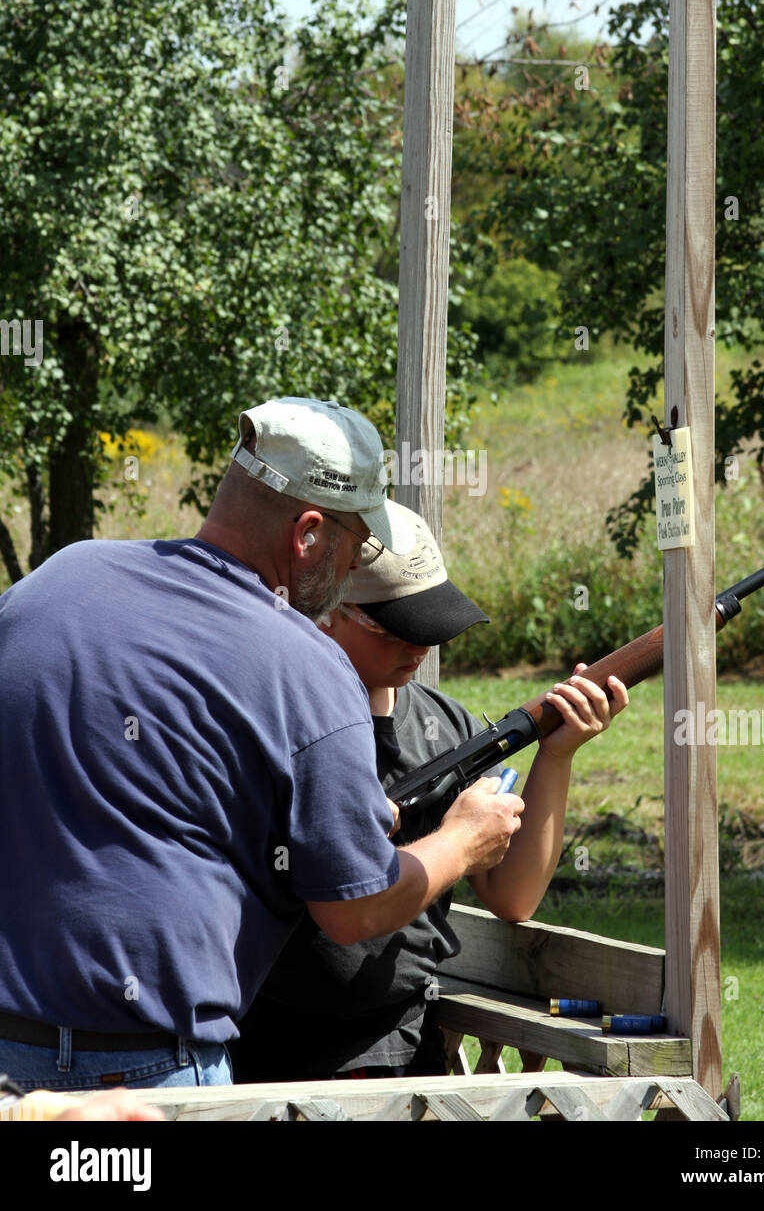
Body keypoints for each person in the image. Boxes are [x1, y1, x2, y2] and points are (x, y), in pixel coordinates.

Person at [0, 398, 523, 1093]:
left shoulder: (57, 583)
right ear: (310, 534)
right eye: (358, 545)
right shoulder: (307, 666)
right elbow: (354, 910)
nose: (352, 567)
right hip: (148, 1072)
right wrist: (464, 840)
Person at [232, 506, 628, 1081]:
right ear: (325, 615)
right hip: (271, 1041)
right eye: (397, 627)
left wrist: (556, 754)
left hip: (402, 1039)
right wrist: (454, 840)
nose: (420, 645)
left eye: (429, 623)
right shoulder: (277, 720)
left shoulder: (448, 729)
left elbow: (513, 897)